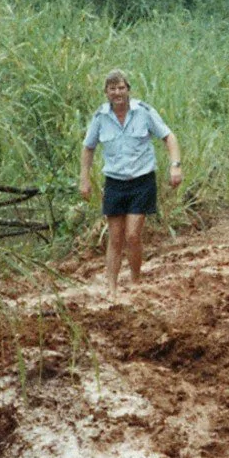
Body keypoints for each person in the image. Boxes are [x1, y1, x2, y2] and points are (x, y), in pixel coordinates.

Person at [78, 68, 181, 294]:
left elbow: (168, 137)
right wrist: (84, 179)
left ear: (128, 90)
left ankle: (135, 281)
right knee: (115, 237)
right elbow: (88, 148)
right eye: (112, 89)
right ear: (106, 92)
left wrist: (175, 165)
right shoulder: (100, 117)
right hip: (115, 182)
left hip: (142, 181)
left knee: (133, 235)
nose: (118, 93)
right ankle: (112, 289)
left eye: (122, 88)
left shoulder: (143, 112)